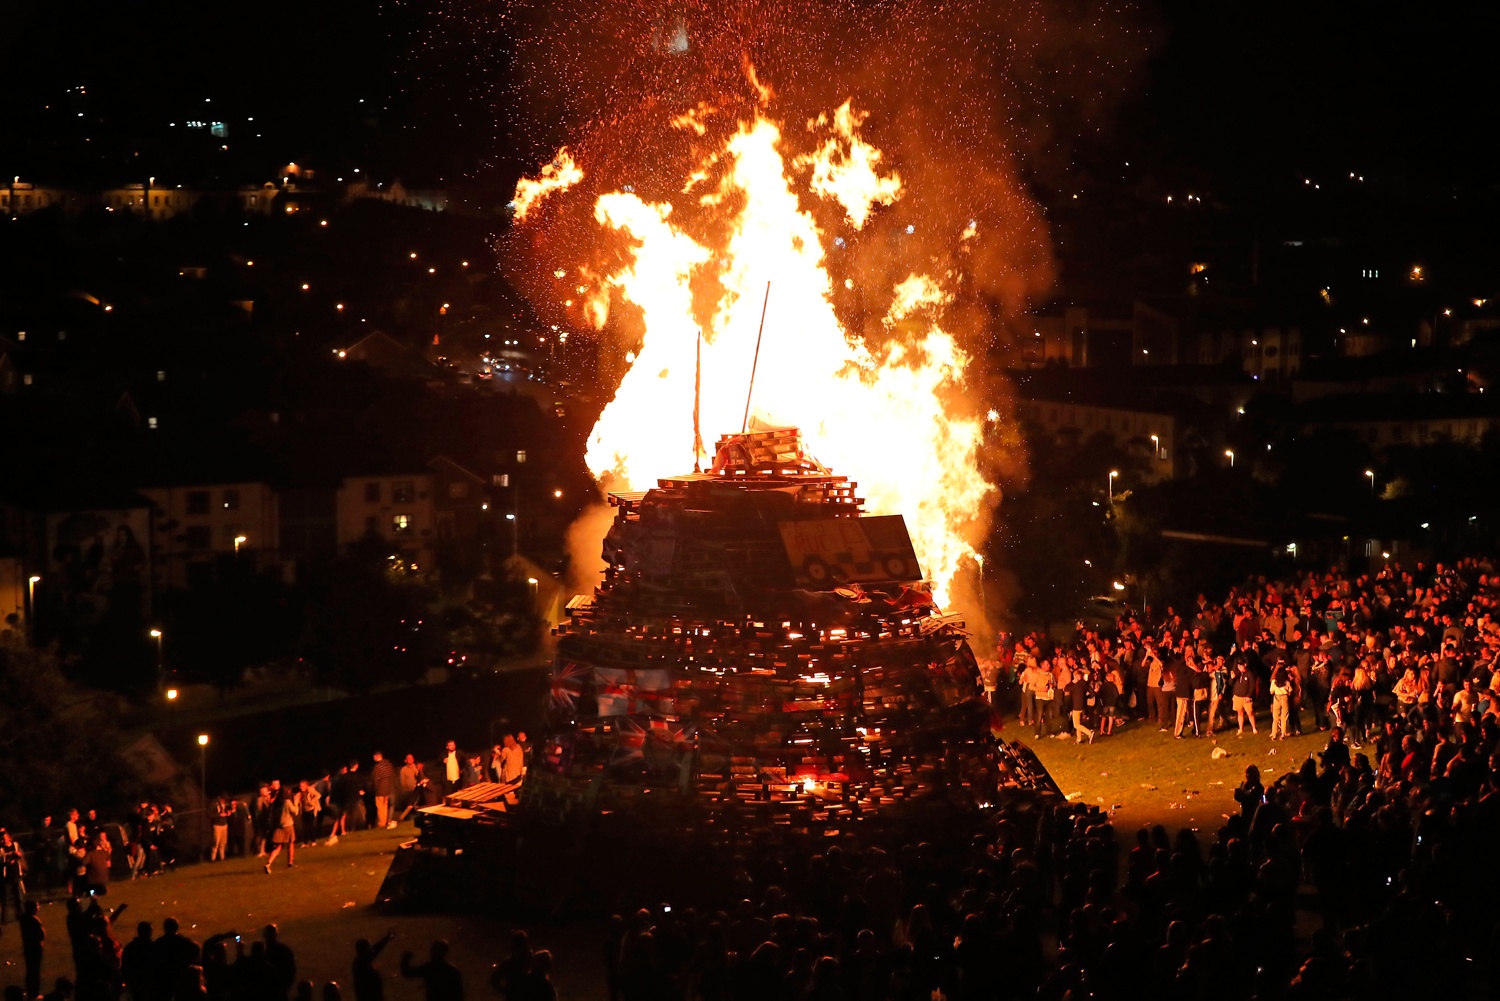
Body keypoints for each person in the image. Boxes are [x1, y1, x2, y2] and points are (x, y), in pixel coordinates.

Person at [353, 931, 396, 1001]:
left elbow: (375, 950)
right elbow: (375, 950)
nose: (371, 949)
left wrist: (386, 939)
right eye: (369, 947)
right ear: (364, 950)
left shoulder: (360, 962)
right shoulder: (361, 964)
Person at [264, 787, 299, 873]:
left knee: (278, 847)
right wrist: (296, 802)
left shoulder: (276, 803)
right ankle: (290, 863)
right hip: (288, 825)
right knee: (291, 843)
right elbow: (295, 812)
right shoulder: (287, 802)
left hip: (279, 826)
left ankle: (268, 863)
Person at [21, 899, 45, 1000]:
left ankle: (30, 991)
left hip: (27, 947)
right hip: (35, 948)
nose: (38, 908)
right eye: (37, 906)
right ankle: (34, 993)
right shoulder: (34, 920)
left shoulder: (23, 918)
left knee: (30, 970)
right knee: (35, 971)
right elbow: (41, 935)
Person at [1064, 670, 1094, 744]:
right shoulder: (1085, 684)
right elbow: (1091, 692)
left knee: (1076, 724)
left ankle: (1089, 733)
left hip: (1077, 706)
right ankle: (1079, 739)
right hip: (1083, 706)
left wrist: (1072, 682)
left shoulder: (1076, 686)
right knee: (1079, 722)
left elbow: (1066, 688)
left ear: (1077, 676)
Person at [370, 754, 398, 830]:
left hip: (380, 790)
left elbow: (375, 779)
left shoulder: (377, 767)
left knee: (380, 807)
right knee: (385, 806)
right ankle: (386, 821)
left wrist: (375, 789)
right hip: (388, 789)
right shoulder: (389, 765)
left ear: (376, 756)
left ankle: (381, 823)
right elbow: (392, 776)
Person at [1232, 662, 1258, 735]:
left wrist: (1249, 696)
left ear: (1245, 665)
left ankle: (1254, 728)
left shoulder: (1249, 673)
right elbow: (1231, 683)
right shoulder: (1237, 674)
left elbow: (1252, 686)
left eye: (1241, 665)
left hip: (1246, 697)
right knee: (1240, 713)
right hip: (1237, 696)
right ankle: (1240, 729)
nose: (1240, 667)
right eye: (1238, 666)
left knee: (1250, 713)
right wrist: (1232, 677)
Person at [1269, 665, 1292, 740]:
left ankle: (1274, 734)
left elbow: (1271, 691)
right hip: (1284, 698)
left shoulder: (1274, 682)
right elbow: (1290, 691)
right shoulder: (1286, 682)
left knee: (1275, 717)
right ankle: (1283, 734)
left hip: (1276, 698)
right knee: (1284, 717)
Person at [209, 796, 231, 862]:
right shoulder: (214, 804)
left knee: (223, 842)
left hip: (224, 825)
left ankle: (222, 857)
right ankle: (213, 858)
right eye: (222, 799)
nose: (223, 801)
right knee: (216, 842)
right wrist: (219, 815)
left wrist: (228, 813)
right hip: (217, 825)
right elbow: (210, 814)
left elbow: (227, 811)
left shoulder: (225, 805)